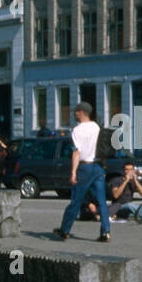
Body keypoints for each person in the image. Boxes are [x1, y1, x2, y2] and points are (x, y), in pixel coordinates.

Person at [55, 102, 111, 242]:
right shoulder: (97, 127)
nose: (74, 113)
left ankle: (65, 230)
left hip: (84, 167)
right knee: (101, 202)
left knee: (76, 201)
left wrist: (73, 172)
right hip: (98, 167)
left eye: (75, 111)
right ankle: (106, 232)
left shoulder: (77, 130)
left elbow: (76, 153)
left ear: (81, 112)